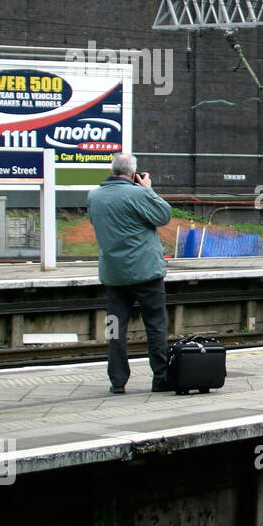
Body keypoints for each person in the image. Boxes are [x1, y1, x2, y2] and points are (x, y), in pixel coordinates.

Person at [87, 153, 172, 393]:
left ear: (112, 171)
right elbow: (163, 215)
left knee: (115, 327)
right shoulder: (138, 194)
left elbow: (96, 222)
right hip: (146, 273)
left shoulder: (94, 196)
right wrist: (148, 189)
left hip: (114, 275)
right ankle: (160, 377)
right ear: (133, 174)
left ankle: (117, 381)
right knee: (155, 325)